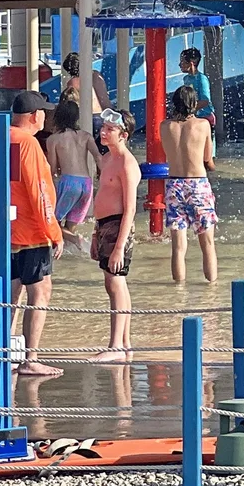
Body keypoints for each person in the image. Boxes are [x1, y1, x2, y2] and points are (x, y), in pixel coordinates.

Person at [9, 90, 64, 377]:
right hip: (32, 231)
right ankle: (31, 357)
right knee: (39, 292)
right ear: (34, 116)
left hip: (8, 231)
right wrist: (54, 231)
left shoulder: (1, 137)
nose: (46, 115)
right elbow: (38, 192)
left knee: (11, 294)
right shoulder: (28, 143)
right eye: (43, 111)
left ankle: (5, 352)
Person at [90, 108, 140, 362]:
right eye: (103, 127)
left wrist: (119, 247)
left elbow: (131, 208)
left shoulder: (127, 164)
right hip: (104, 225)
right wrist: (95, 233)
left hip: (120, 225)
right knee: (113, 284)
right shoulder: (107, 158)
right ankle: (125, 342)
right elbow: (102, 196)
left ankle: (116, 346)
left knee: (115, 281)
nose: (103, 131)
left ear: (124, 134)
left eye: (110, 129)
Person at [161, 85, 217, 283]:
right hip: (197, 184)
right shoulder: (203, 125)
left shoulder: (165, 126)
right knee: (207, 243)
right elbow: (207, 158)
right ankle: (212, 290)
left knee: (178, 247)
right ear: (193, 104)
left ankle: (179, 292)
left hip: (174, 185)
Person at [46, 93, 99, 252]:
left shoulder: (54, 139)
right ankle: (71, 251)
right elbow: (99, 157)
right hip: (86, 184)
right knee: (70, 226)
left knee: (52, 222)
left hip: (69, 182)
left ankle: (75, 240)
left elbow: (53, 169)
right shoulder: (86, 136)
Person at [61, 51, 113, 128]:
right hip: (106, 113)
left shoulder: (73, 82)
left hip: (91, 117)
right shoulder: (96, 74)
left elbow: (70, 104)